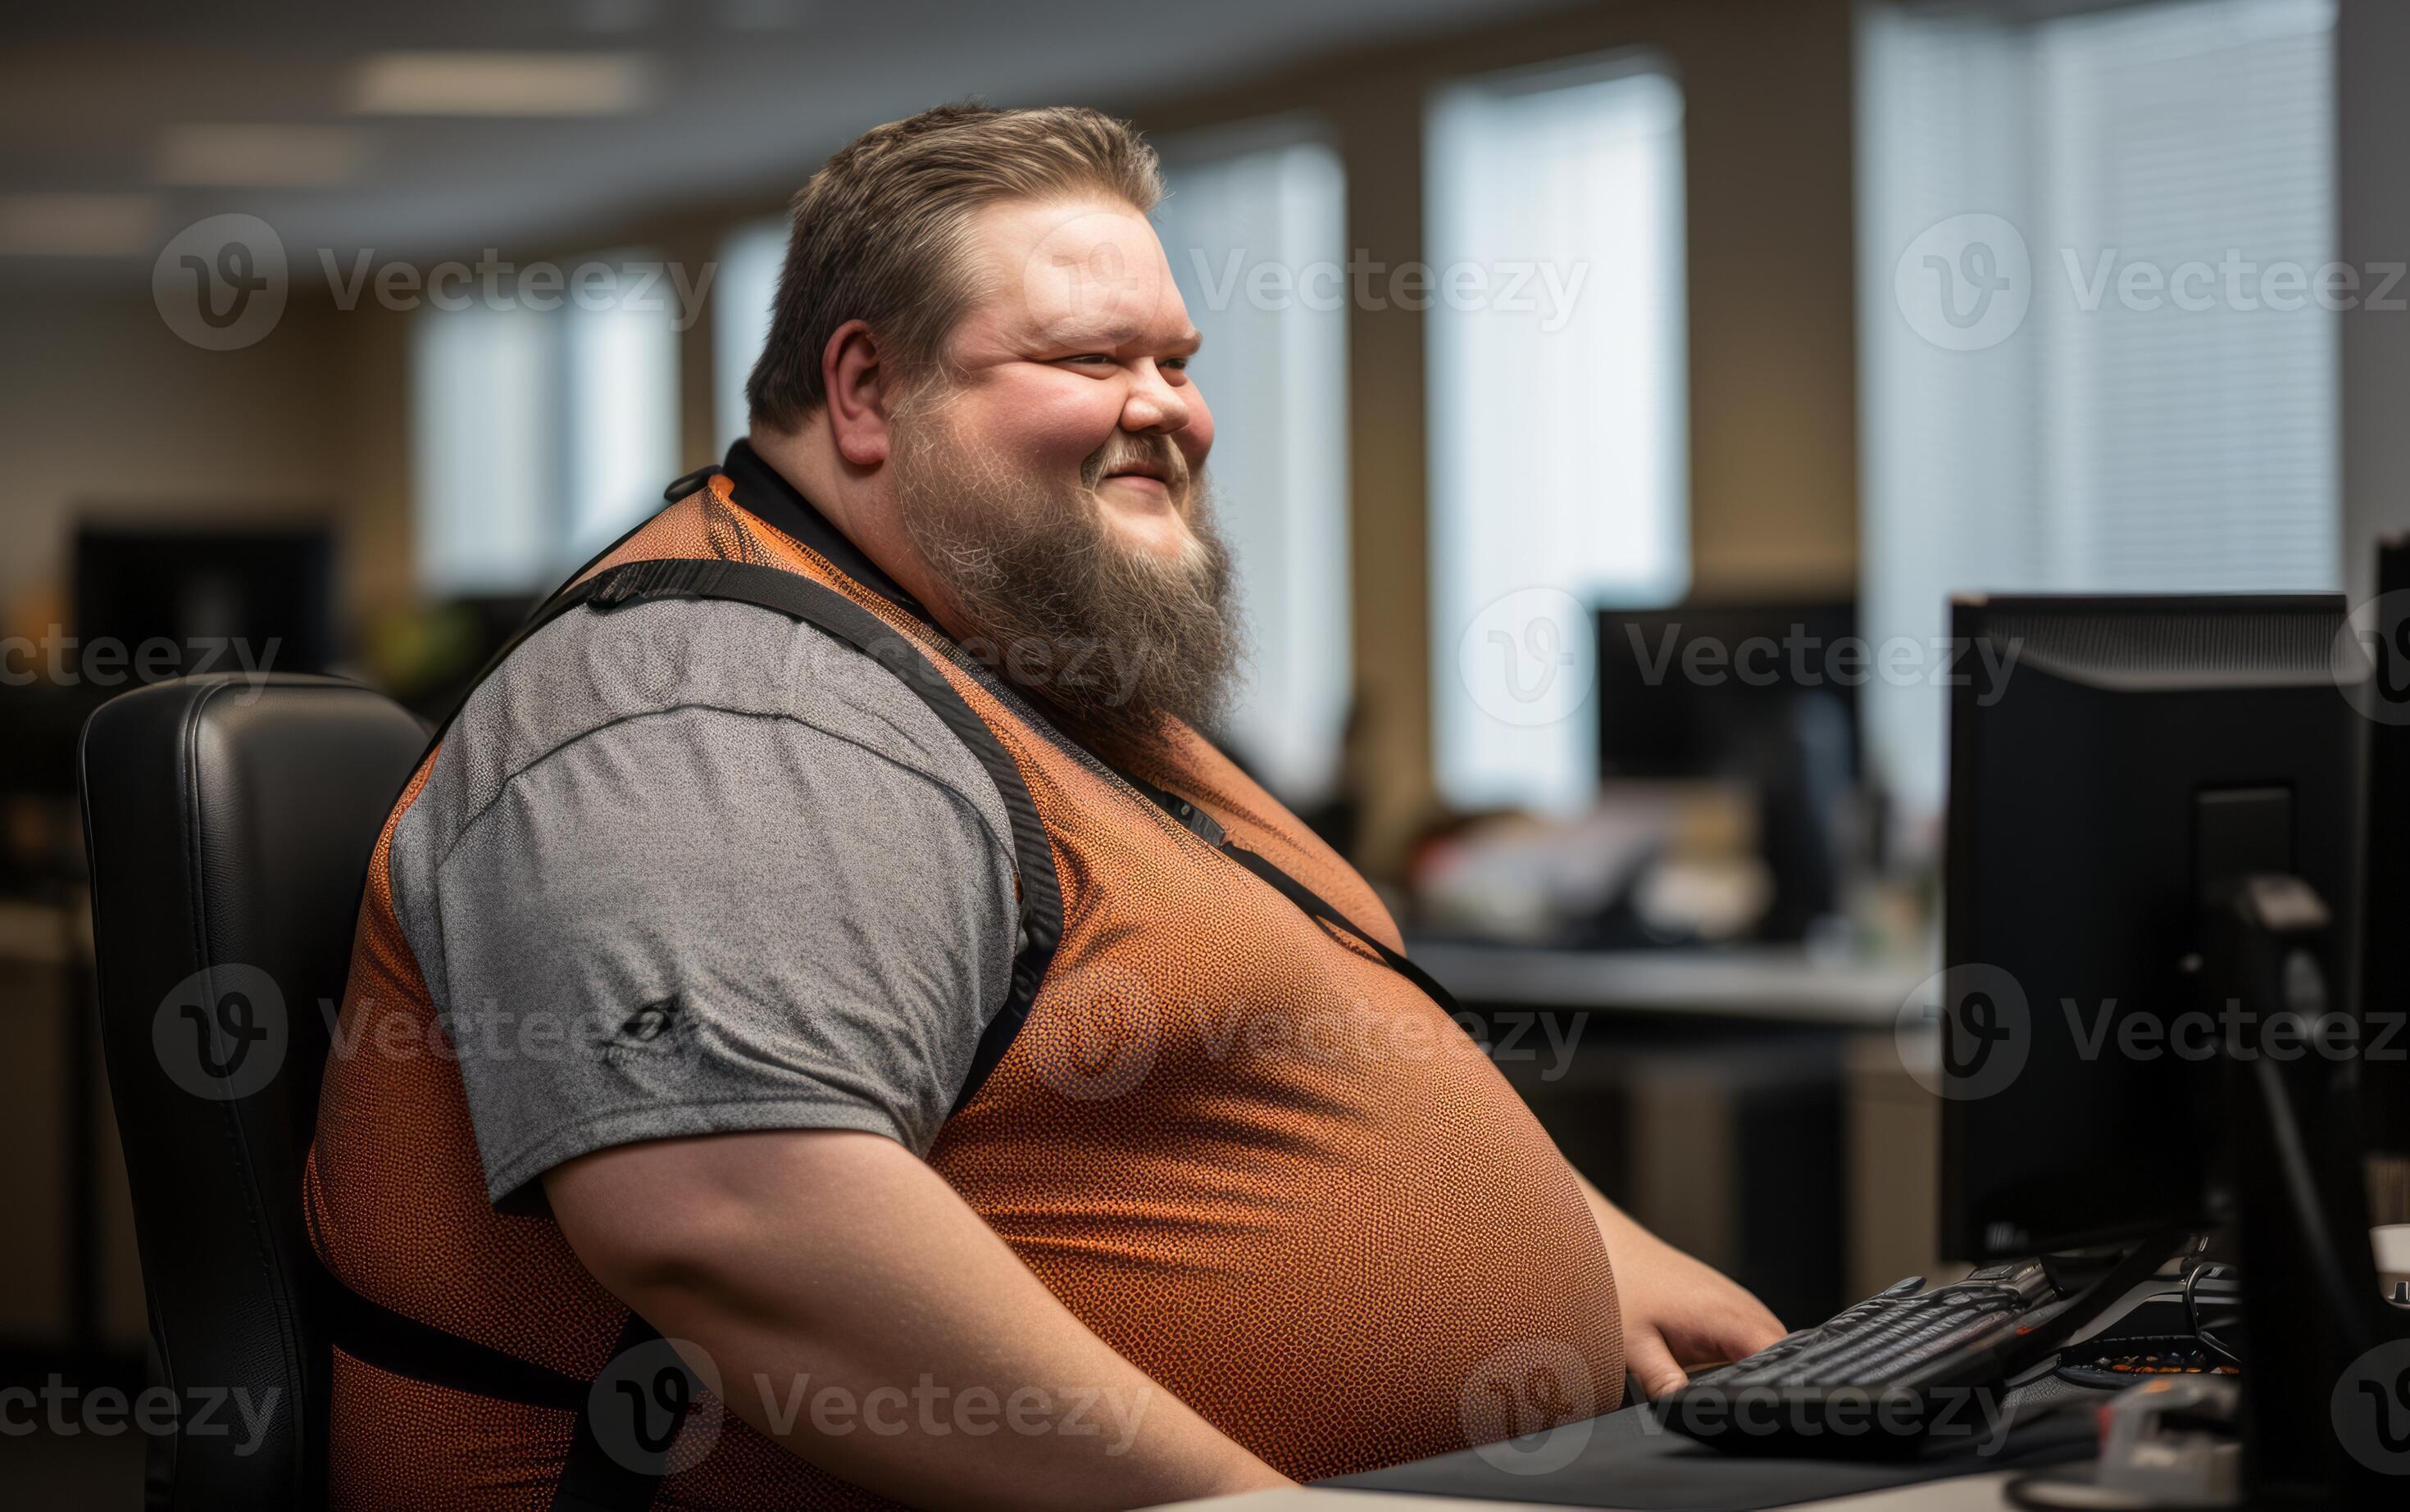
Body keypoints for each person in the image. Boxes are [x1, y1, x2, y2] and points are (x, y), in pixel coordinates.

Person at [306, 102, 1781, 1511]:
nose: (1166, 412)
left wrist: (1594, 1251)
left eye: (1178, 360)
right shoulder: (712, 706)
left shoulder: (1011, 665)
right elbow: (735, 1230)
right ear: (867, 388)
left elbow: (1317, 1031)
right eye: (1088, 356)